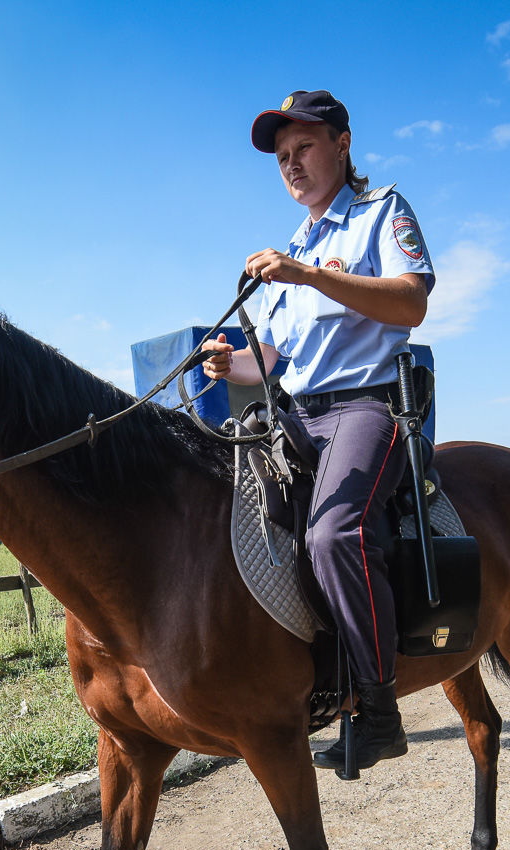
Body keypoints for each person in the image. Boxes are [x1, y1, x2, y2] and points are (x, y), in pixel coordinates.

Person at [201, 89, 436, 772]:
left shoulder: (380, 212)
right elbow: (273, 359)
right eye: (282, 156)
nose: (291, 164)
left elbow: (412, 302)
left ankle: (380, 710)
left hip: (367, 408)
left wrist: (307, 276)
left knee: (335, 535)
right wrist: (231, 364)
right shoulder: (295, 248)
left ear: (342, 143)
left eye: (303, 147)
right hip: (297, 414)